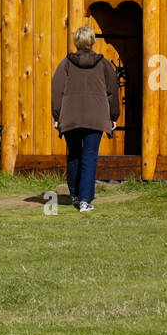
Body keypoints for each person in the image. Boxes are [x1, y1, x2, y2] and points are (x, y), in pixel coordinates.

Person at [51, 25, 119, 212]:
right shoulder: (104, 64)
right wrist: (114, 116)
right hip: (96, 117)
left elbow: (57, 90)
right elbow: (112, 91)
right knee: (89, 157)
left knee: (73, 154)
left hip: (71, 116)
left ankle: (74, 195)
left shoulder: (65, 64)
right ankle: (85, 200)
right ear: (92, 42)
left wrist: (57, 115)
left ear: (76, 42)